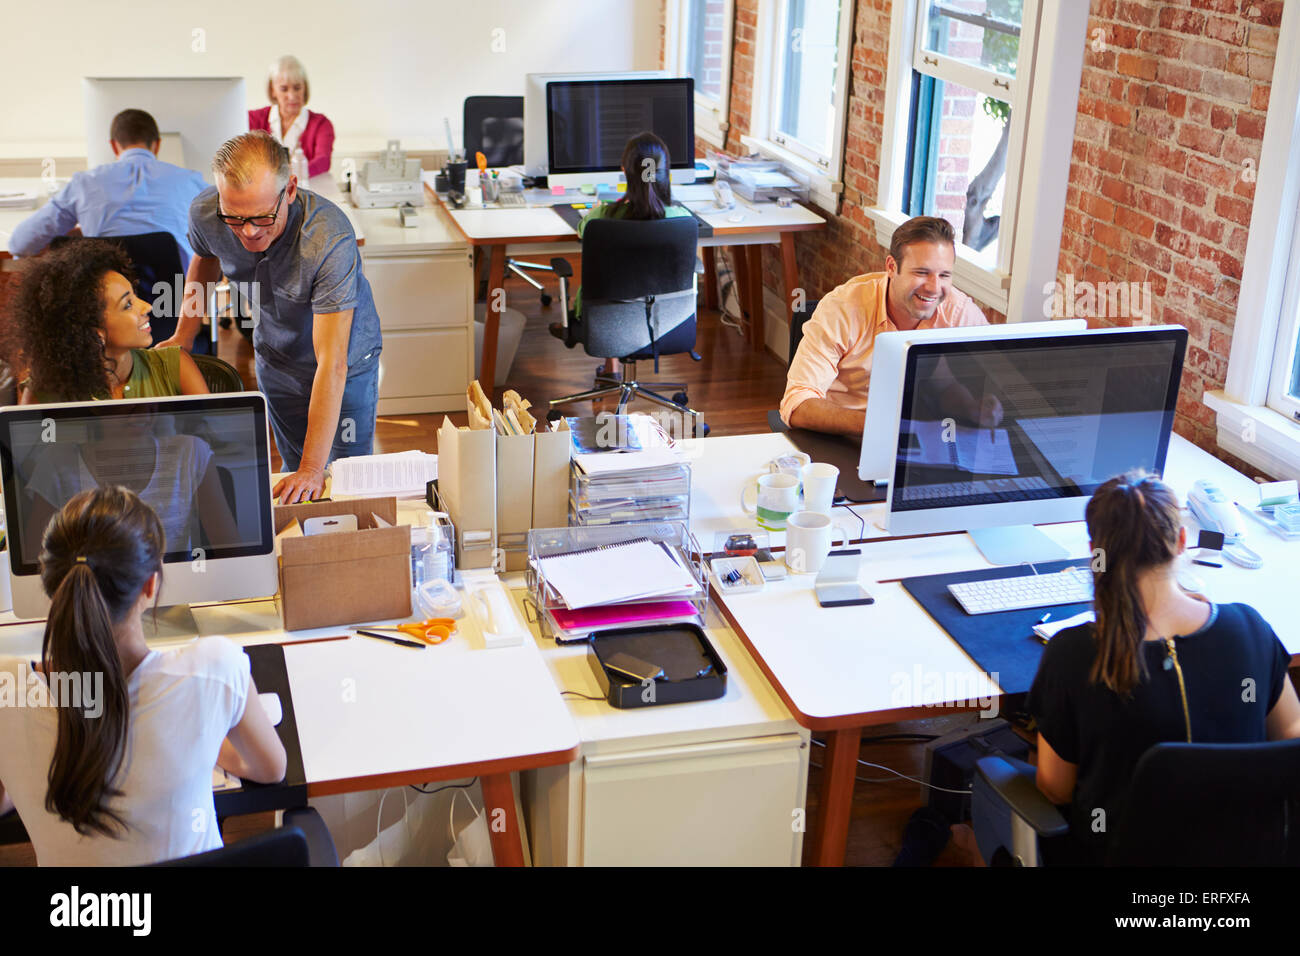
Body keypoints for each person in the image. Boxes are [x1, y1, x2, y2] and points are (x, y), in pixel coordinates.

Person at [0, 487, 285, 865]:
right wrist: (206, 737)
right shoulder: (214, 668)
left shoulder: (9, 689)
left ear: (52, 585)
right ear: (151, 585)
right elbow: (270, 768)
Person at [1026, 472, 1300, 864]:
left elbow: (1056, 791)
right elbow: (1292, 733)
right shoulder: (1249, 628)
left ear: (1095, 552)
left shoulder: (1073, 655)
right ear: (1183, 541)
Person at [160, 131, 382, 504]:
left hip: (345, 364)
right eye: (235, 217)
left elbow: (333, 363)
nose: (248, 232)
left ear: (290, 189)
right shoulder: (206, 212)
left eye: (262, 217)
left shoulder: (328, 239)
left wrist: (314, 469)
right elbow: (205, 257)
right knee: (294, 471)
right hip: (277, 358)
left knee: (347, 479)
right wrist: (184, 334)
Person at [780, 216, 992, 438]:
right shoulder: (842, 308)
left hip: (917, 438)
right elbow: (797, 404)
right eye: (921, 272)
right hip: (840, 436)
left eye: (944, 275)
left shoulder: (957, 311)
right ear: (891, 267)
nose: (933, 287)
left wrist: (975, 407)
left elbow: (1001, 366)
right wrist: (883, 426)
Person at [12, 239, 209, 403]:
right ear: (93, 330)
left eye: (135, 295)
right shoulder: (45, 389)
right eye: (128, 305)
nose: (147, 307)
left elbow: (217, 441)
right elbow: (35, 449)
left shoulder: (176, 366)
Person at [8, 109, 208, 267]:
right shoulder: (191, 181)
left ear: (114, 146)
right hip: (174, 302)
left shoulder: (84, 183)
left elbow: (20, 243)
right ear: (157, 145)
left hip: (106, 304)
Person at [548, 131, 693, 343]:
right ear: (665, 172)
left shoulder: (601, 217)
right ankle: (612, 369)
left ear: (624, 171)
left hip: (605, 318)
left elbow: (582, 230)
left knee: (615, 291)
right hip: (666, 320)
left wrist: (595, 211)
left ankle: (613, 362)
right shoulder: (682, 219)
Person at [248, 55, 335, 178]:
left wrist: (284, 177)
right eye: (284, 89)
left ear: (305, 88)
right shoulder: (253, 119)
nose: (292, 96)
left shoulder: (321, 124)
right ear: (273, 90)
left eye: (297, 88)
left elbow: (323, 161)